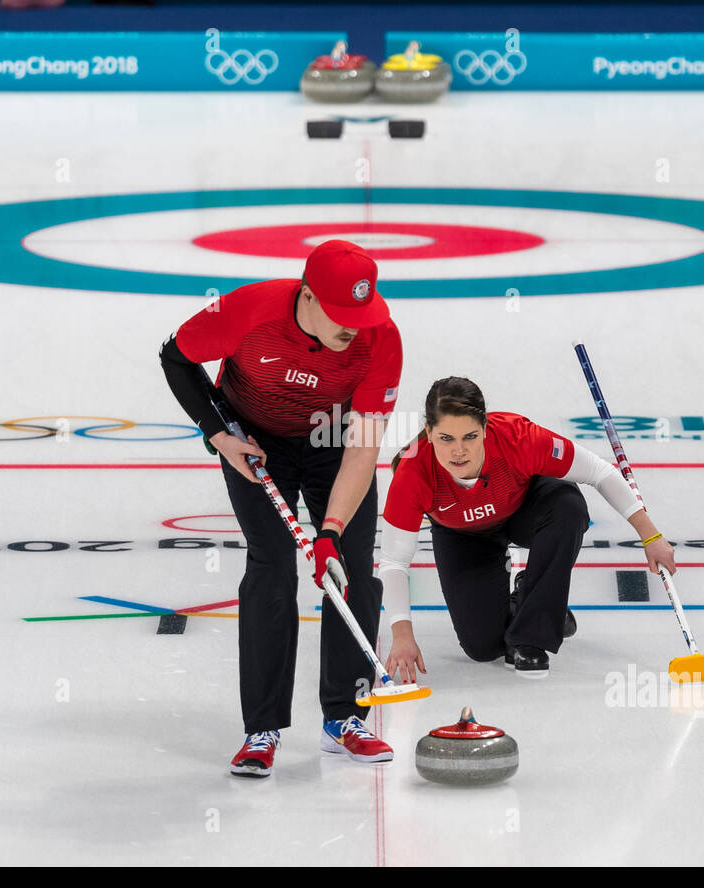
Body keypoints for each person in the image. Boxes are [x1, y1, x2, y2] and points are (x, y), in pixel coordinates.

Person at [159, 240, 403, 777]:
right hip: (254, 441)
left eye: (362, 315)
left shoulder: (381, 339)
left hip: (333, 442)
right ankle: (261, 729)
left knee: (352, 568)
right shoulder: (249, 312)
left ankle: (346, 717)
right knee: (271, 567)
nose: (353, 329)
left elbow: (364, 448)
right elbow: (175, 356)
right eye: (342, 316)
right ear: (308, 297)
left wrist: (332, 531)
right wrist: (220, 435)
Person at [379, 376, 676, 679]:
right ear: (428, 432)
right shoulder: (413, 473)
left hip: (524, 510)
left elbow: (599, 472)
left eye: (469, 436)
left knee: (568, 507)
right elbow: (393, 562)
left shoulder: (517, 437)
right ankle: (530, 598)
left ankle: (533, 637)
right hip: (464, 535)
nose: (459, 451)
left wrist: (650, 535)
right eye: (446, 439)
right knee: (482, 647)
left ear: (484, 429)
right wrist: (402, 635)